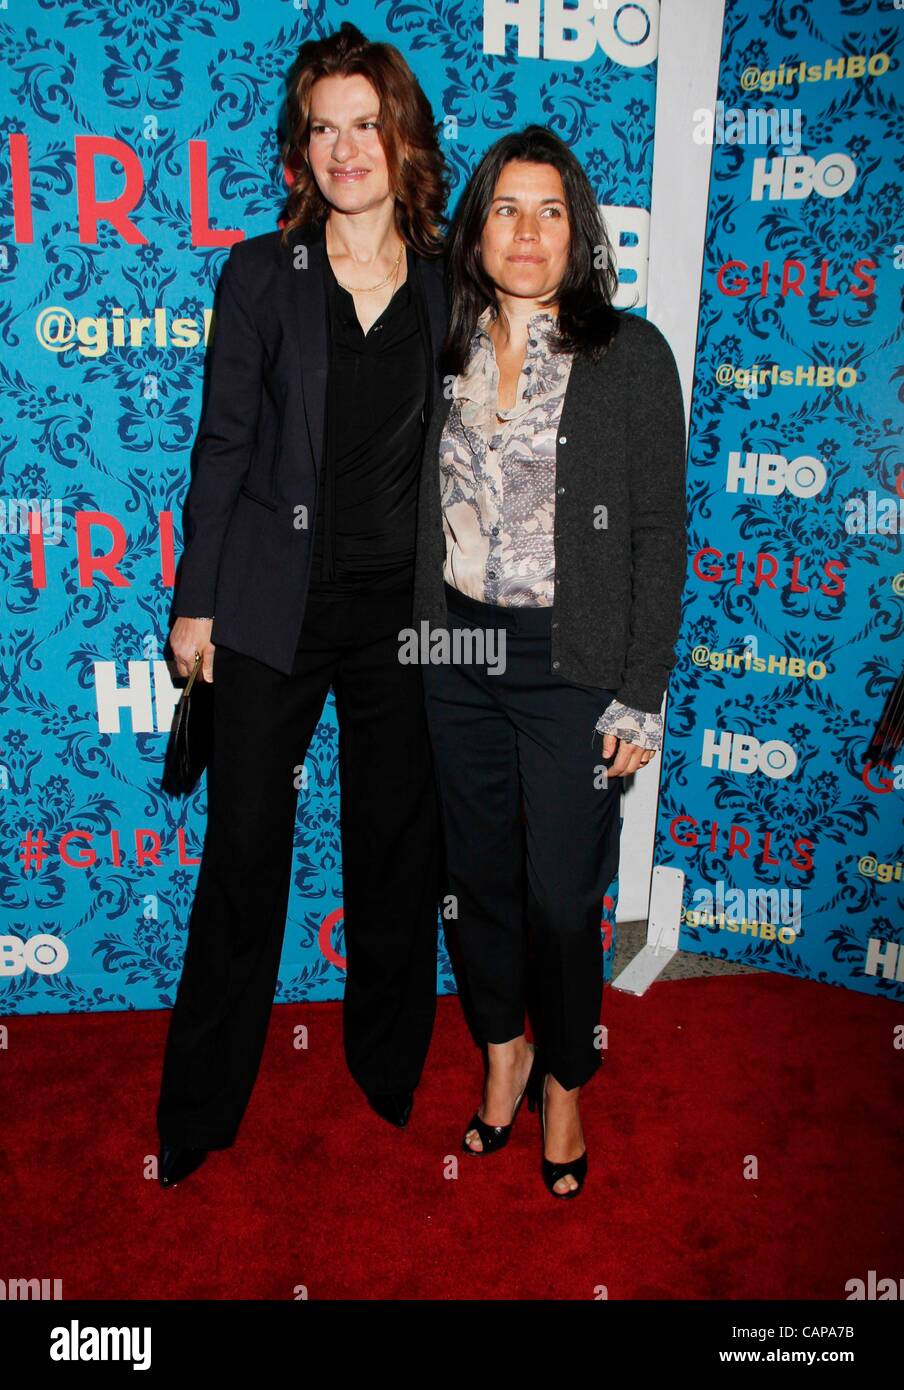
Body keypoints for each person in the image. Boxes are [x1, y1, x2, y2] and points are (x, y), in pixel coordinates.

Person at [156, 22, 450, 1187]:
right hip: (272, 612)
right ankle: (199, 1108)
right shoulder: (258, 273)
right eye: (321, 129)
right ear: (300, 149)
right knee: (241, 857)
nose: (343, 149)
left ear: (400, 136)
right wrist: (195, 604)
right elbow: (221, 443)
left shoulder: (447, 279)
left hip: (405, 622)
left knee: (393, 854)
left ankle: (385, 1072)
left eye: (363, 125)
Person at [413, 125, 687, 1198]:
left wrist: (638, 694)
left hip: (574, 662)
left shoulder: (630, 353)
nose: (525, 232)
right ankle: (502, 1058)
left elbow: (659, 534)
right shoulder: (441, 340)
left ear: (579, 231)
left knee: (564, 898)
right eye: (504, 209)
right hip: (454, 646)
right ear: (475, 227)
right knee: (473, 882)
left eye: (549, 210)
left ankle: (566, 1077)